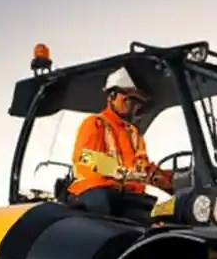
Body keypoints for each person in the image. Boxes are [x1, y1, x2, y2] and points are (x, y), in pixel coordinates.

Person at [68, 66, 173, 221]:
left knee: (167, 211)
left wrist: (172, 180)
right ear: (112, 97)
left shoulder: (133, 134)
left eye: (137, 103)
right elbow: (84, 158)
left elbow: (144, 168)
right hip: (96, 194)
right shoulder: (95, 124)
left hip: (126, 195)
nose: (134, 108)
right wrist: (122, 173)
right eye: (130, 101)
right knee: (107, 203)